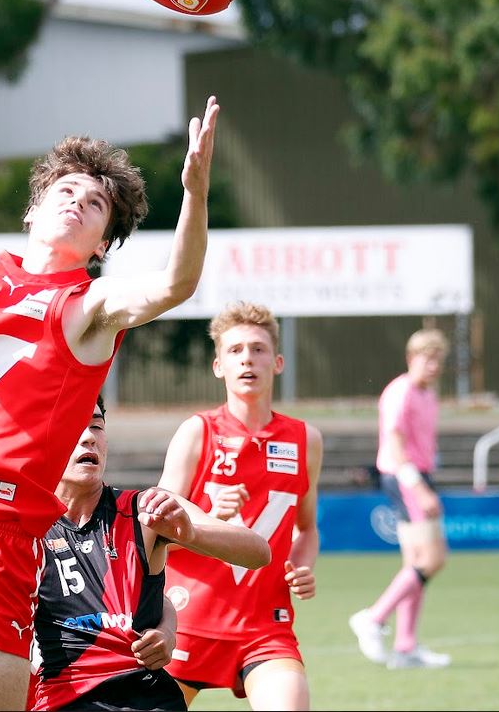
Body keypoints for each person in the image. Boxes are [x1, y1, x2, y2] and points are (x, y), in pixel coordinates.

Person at [0, 73, 220, 710]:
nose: (76, 202)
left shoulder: (89, 305)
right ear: (33, 209)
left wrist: (195, 194)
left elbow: (175, 286)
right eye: (65, 189)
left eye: (96, 204)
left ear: (104, 243)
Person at [30, 395, 271, 712]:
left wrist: (194, 534)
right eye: (75, 425)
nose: (89, 436)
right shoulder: (25, 525)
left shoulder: (144, 509)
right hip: (64, 699)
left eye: (96, 425)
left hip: (149, 699)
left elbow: (258, 552)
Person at [157, 302, 324, 710]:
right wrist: (209, 518)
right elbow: (150, 533)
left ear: (278, 362)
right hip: (186, 623)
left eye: (258, 348)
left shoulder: (306, 440)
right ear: (219, 366)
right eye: (235, 351)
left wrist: (302, 567)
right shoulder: (197, 432)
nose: (247, 358)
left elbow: (307, 528)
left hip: (266, 628)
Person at [348, 328, 453, 670]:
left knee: (416, 564)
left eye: (438, 358)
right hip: (406, 477)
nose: (433, 365)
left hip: (416, 474)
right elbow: (394, 442)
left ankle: (406, 646)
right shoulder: (400, 391)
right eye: (427, 357)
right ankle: (373, 618)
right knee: (435, 558)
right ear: (411, 359)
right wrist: (419, 487)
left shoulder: (428, 395)